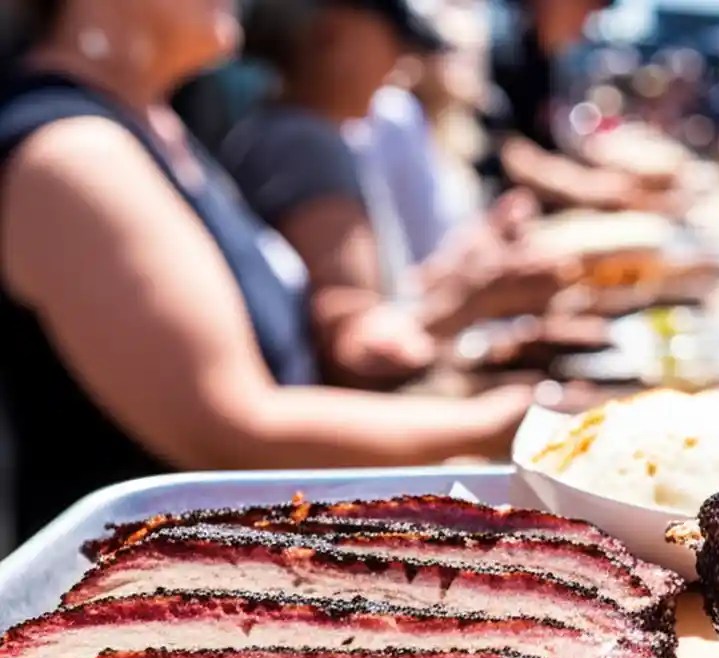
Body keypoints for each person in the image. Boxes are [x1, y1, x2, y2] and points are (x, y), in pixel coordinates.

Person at [0, 0, 551, 540]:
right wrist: (512, 418)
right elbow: (234, 428)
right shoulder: (74, 153)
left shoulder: (148, 121)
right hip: (143, 607)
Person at [221, 0, 570, 387]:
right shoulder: (303, 144)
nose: (402, 60)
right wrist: (472, 299)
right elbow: (356, 353)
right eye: (393, 38)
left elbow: (381, 302)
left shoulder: (295, 133)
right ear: (333, 33)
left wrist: (473, 263)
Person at [479, 0, 663, 211]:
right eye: (588, 7)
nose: (590, 21)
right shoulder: (498, 38)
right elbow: (502, 147)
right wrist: (589, 187)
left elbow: (557, 139)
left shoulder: (546, 56)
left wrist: (627, 172)